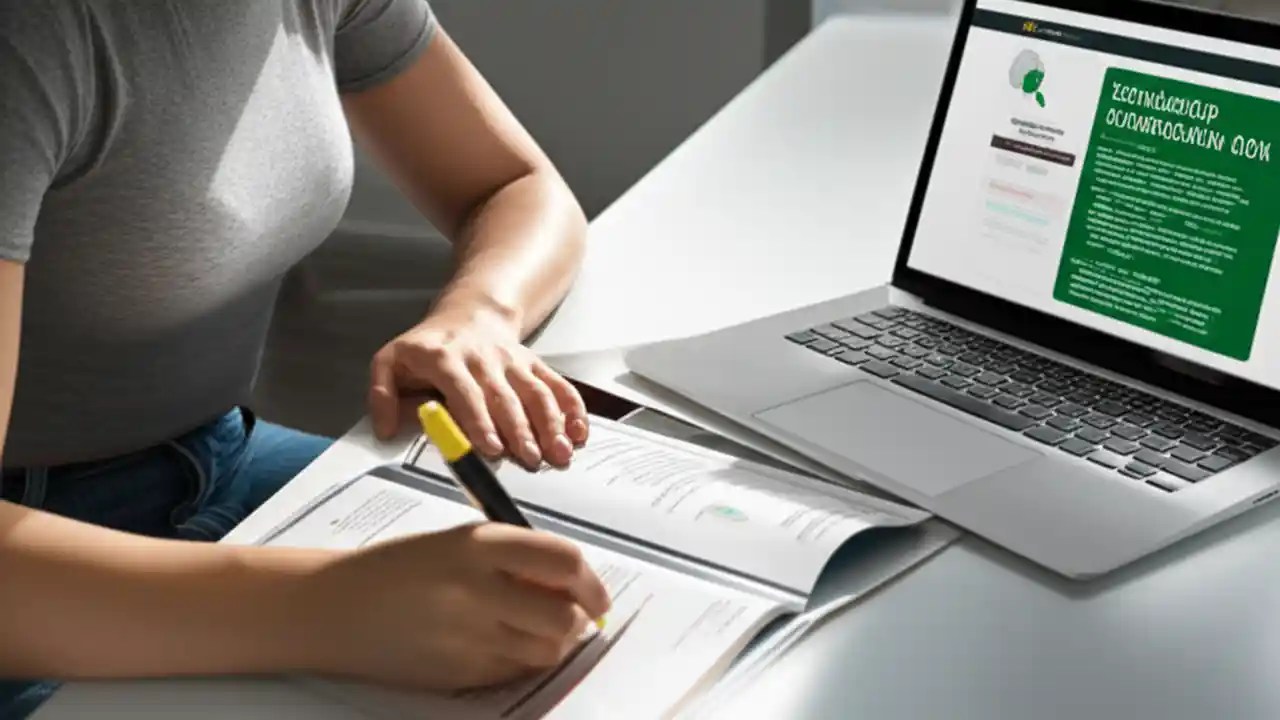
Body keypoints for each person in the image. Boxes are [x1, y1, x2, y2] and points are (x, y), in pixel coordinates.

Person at [0, 1, 610, 717]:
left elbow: (513, 184)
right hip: (38, 568)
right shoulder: (33, 37)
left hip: (215, 456)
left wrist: (478, 316)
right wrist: (324, 608)